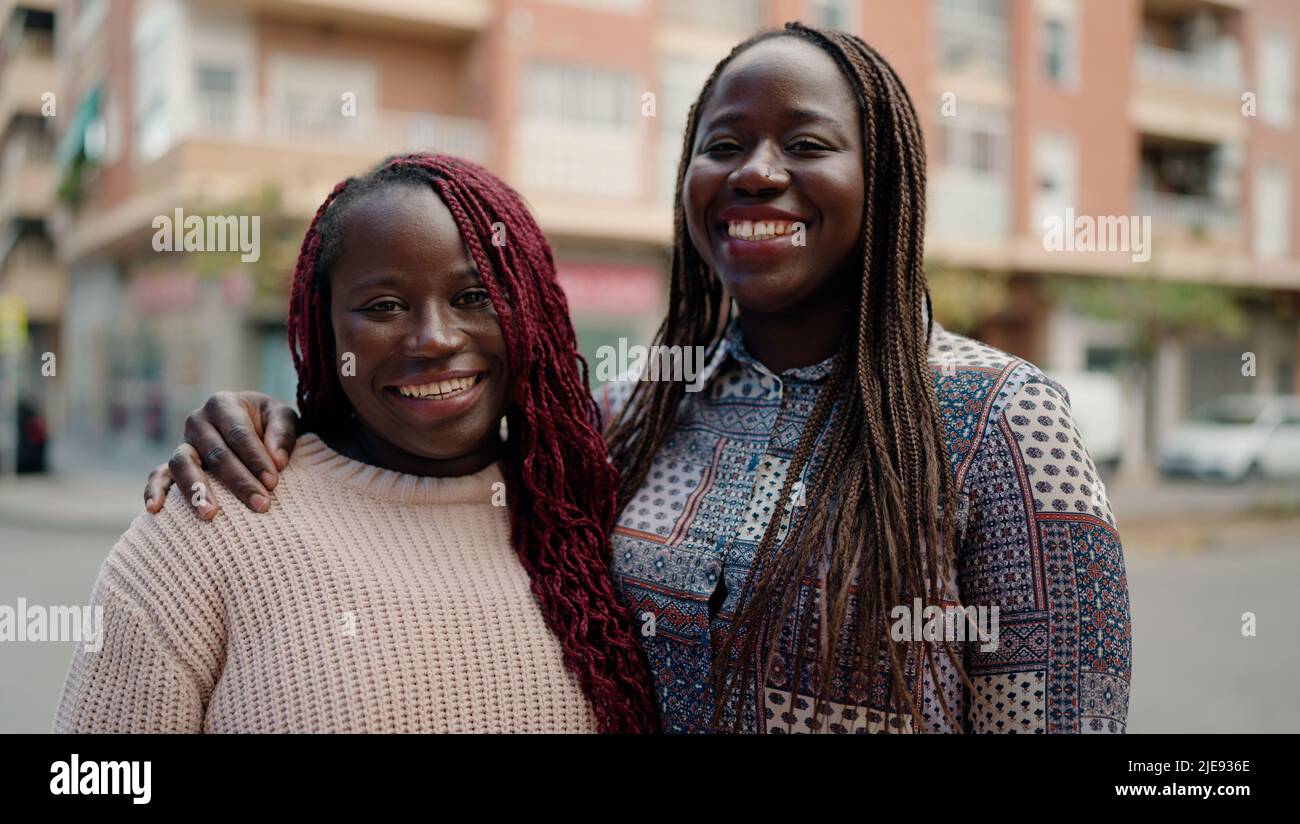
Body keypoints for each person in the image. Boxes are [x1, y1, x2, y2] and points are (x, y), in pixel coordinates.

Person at [143, 23, 1131, 733]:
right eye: (723, 145)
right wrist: (280, 423)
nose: (756, 172)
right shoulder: (633, 414)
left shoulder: (998, 419)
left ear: (885, 179)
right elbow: (425, 447)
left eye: (806, 143)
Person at [55, 153, 659, 733]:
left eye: (474, 298)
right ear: (327, 326)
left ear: (532, 314)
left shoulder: (591, 515)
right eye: (385, 306)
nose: (435, 338)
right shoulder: (208, 526)